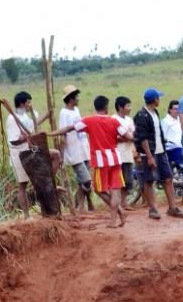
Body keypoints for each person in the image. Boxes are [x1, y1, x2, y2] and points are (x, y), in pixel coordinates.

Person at [53, 94, 128, 228]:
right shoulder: (114, 121)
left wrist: (51, 133)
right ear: (106, 107)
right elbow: (127, 136)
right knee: (115, 190)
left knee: (99, 190)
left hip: (100, 161)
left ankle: (117, 215)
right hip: (115, 158)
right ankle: (117, 215)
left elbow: (69, 128)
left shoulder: (89, 120)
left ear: (96, 107)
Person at [134, 88, 183, 220]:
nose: (160, 100)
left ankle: (172, 208)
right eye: (158, 98)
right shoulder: (142, 116)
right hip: (150, 153)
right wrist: (149, 156)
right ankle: (153, 209)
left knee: (168, 178)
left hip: (161, 151)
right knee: (149, 180)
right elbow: (143, 138)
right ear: (155, 99)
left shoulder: (154, 113)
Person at [57, 85, 94, 213]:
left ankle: (81, 207)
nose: (78, 98)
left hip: (84, 148)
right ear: (71, 98)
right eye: (76, 96)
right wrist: (61, 154)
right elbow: (63, 133)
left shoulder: (76, 110)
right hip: (74, 152)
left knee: (81, 181)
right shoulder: (64, 113)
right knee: (87, 180)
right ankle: (83, 204)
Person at [6, 90, 41, 213]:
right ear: (22, 103)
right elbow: (14, 141)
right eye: (28, 102)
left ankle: (43, 208)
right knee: (23, 185)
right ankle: (26, 215)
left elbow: (35, 123)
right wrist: (25, 137)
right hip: (19, 155)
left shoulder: (26, 115)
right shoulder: (12, 119)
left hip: (30, 151)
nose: (30, 104)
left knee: (38, 179)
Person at [113, 96, 138, 207]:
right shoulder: (113, 119)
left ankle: (123, 202)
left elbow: (133, 135)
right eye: (128, 106)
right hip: (118, 154)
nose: (130, 108)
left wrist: (127, 138)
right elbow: (113, 137)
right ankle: (119, 203)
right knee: (119, 180)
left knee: (128, 180)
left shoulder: (129, 120)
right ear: (120, 107)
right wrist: (126, 138)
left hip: (128, 153)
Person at [162, 100, 183, 176]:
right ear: (170, 110)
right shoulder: (166, 121)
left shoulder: (180, 120)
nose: (177, 111)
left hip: (181, 146)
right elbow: (163, 136)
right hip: (171, 148)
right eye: (175, 109)